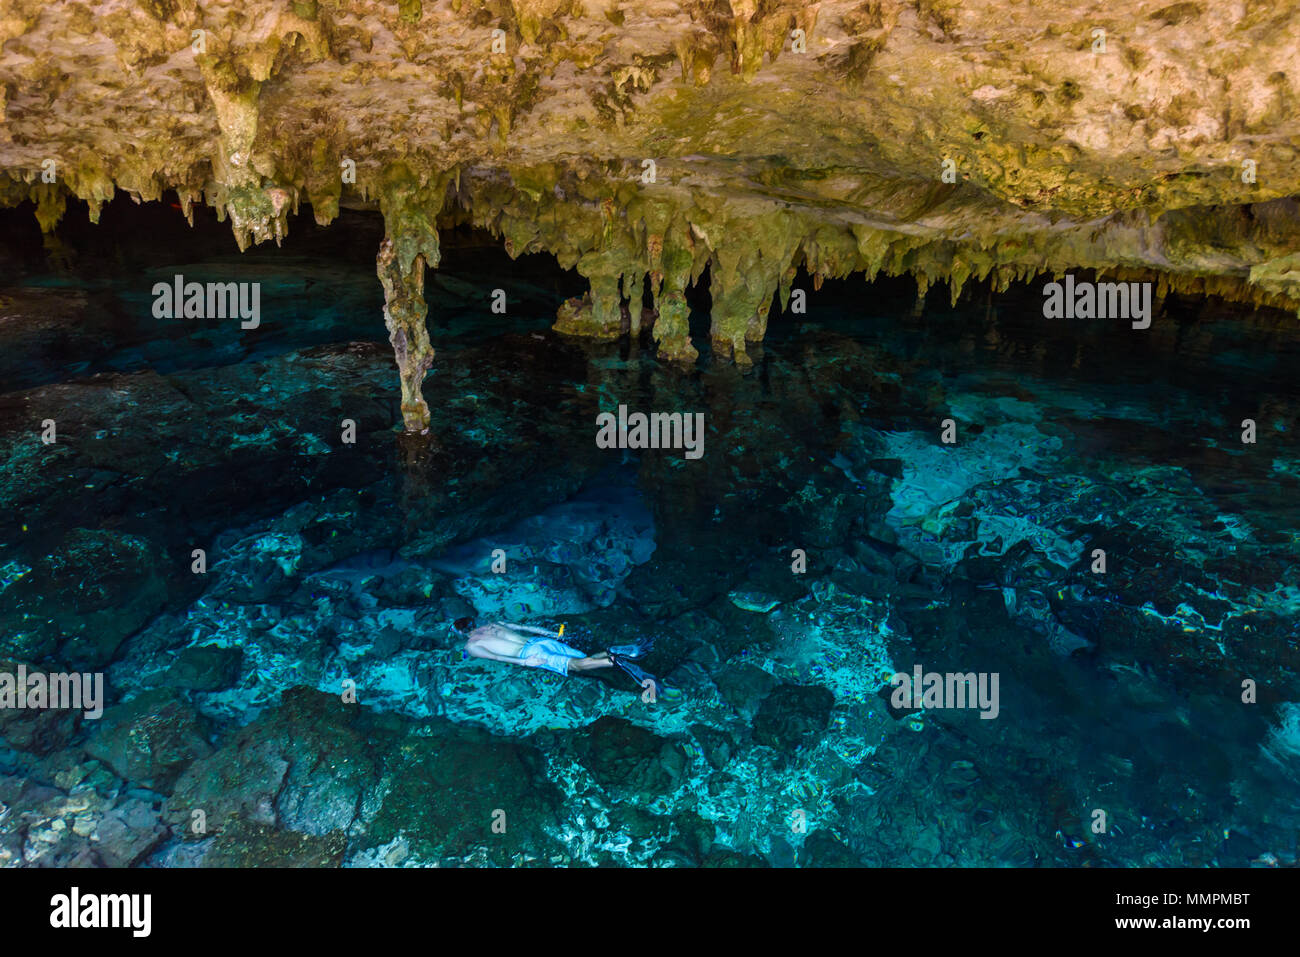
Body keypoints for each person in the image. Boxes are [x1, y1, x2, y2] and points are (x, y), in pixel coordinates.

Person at [454, 617, 673, 696]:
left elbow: (499, 659)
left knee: (577, 666)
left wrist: (524, 662)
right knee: (586, 658)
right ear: (473, 622)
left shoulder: (472, 645)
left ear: (462, 633)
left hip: (530, 653)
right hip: (541, 642)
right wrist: (550, 634)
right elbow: (525, 626)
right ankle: (612, 654)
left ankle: (614, 658)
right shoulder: (493, 624)